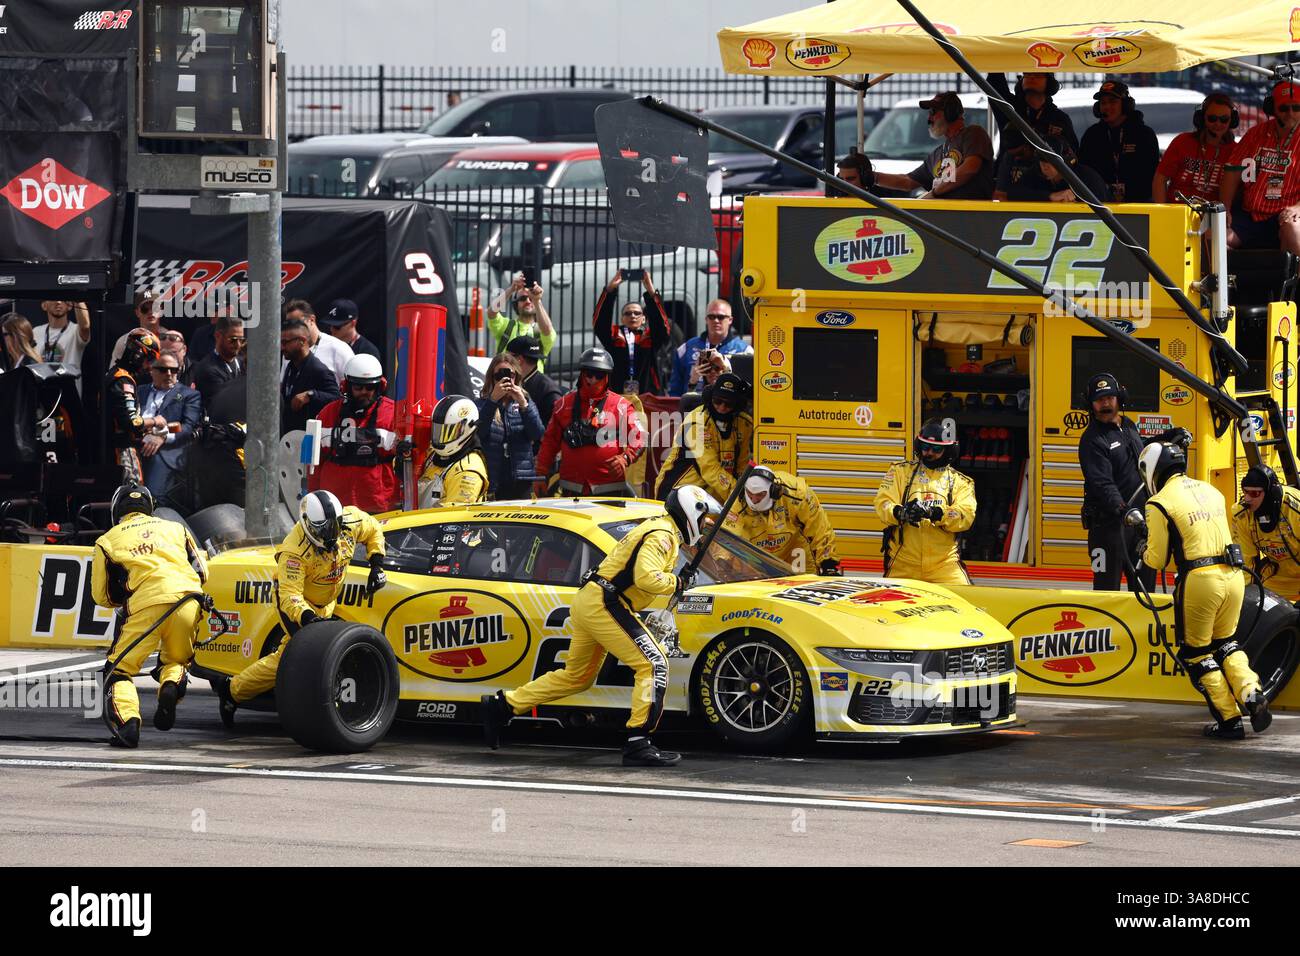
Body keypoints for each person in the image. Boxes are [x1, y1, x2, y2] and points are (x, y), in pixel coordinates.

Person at [480, 485, 722, 766]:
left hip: (592, 600)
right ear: (693, 513)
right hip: (605, 603)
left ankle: (501, 706)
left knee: (576, 677)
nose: (704, 528)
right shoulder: (663, 535)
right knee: (653, 664)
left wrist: (677, 579)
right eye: (704, 521)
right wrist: (676, 582)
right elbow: (646, 578)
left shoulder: (662, 529)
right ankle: (638, 742)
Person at [214, 490, 386, 723]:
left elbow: (374, 528)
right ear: (308, 524)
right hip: (298, 608)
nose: (330, 535)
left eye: (334, 527)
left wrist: (376, 564)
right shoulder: (293, 551)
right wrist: (307, 618)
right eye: (323, 529)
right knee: (292, 657)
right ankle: (233, 691)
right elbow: (289, 595)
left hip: (327, 601)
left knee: (318, 654)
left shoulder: (350, 520)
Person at [1136, 442, 1270, 739]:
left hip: (1199, 579)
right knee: (1227, 645)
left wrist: (1142, 545)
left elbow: (1157, 559)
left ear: (1154, 470)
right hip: (1233, 575)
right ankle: (1252, 693)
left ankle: (1229, 720)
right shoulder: (1212, 490)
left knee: (1197, 654)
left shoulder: (1158, 502)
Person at [92, 485, 208, 748]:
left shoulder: (107, 540)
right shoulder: (176, 528)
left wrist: (125, 594)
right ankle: (170, 685)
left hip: (146, 605)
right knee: (177, 659)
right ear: (150, 507)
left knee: (117, 670)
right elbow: (202, 572)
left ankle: (128, 724)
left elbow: (102, 596)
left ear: (116, 510)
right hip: (188, 599)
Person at [1077, 372, 1158, 591]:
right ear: (1090, 404)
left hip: (1140, 527)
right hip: (1108, 529)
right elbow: (1101, 483)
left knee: (1145, 592)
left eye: (1110, 398)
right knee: (1106, 592)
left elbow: (1141, 457)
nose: (1105, 404)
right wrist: (1124, 510)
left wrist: (1168, 438)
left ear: (1119, 398)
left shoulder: (1129, 426)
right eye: (1099, 400)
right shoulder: (1091, 440)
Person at [534, 347, 645, 497]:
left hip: (610, 490)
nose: (592, 379)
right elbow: (549, 443)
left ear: (606, 377)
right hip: (571, 492)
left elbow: (640, 437)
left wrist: (625, 458)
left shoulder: (621, 405)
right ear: (581, 374)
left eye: (598, 375)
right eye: (589, 373)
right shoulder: (563, 404)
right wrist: (541, 474)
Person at [875, 420, 976, 584]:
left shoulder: (961, 482)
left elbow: (965, 516)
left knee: (966, 602)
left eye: (936, 449)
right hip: (903, 564)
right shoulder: (899, 472)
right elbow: (883, 503)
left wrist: (936, 513)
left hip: (945, 566)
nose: (929, 453)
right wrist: (902, 512)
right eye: (925, 447)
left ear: (948, 450)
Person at [312, 353, 399, 514]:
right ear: (346, 386)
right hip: (336, 506)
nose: (364, 392)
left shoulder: (394, 415)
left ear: (379, 386)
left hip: (379, 506)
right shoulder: (328, 414)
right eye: (358, 387)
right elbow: (314, 463)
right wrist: (314, 498)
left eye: (370, 387)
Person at [1222, 82, 1300, 255]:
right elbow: (1233, 169)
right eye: (1284, 108)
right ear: (1272, 108)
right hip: (1250, 216)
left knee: (1294, 231)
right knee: (1214, 236)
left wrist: (1297, 207)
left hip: (1285, 216)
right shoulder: (1256, 133)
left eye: (1296, 108)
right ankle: (1223, 281)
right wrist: (1225, 208)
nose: (1291, 113)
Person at [872, 92, 995, 200]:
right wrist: (874, 177)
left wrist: (935, 192)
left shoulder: (973, 134)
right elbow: (907, 181)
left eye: (933, 112)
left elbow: (970, 168)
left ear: (950, 113)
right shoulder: (937, 153)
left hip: (973, 216)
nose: (929, 118)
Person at [655, 373, 753, 503]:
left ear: (738, 404)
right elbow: (709, 468)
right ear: (710, 397)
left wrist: (748, 491)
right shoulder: (695, 422)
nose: (722, 407)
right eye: (718, 401)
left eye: (728, 404)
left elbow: (742, 466)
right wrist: (739, 495)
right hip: (680, 493)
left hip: (720, 495)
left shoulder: (745, 423)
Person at [729, 466, 840, 574]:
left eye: (760, 495)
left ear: (773, 491)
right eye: (750, 494)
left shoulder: (797, 492)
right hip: (755, 556)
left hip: (794, 548)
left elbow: (819, 526)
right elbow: (726, 534)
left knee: (804, 585)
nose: (754, 500)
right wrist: (721, 561)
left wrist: (828, 564)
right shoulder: (737, 500)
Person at [137, 353, 202, 512]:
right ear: (152, 370)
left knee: (152, 497)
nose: (169, 374)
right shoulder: (139, 391)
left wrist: (162, 435)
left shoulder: (189, 395)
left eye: (173, 370)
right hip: (134, 446)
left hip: (166, 451)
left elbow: (187, 427)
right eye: (163, 369)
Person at [593, 269, 675, 395]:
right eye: (628, 313)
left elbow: (663, 326)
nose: (633, 316)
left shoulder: (650, 336)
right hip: (618, 395)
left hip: (648, 396)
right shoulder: (614, 335)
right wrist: (609, 291)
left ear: (643, 319)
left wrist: (651, 292)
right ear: (622, 319)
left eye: (637, 313)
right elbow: (599, 324)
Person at [1078, 80, 1159, 204]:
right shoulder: (1092, 135)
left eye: (1113, 102)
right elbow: (1083, 172)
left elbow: (1151, 176)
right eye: (1103, 103)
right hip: (1100, 206)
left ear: (1126, 105)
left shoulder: (1144, 134)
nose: (1107, 107)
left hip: (1138, 206)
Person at [476, 353, 543, 500]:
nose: (505, 379)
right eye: (499, 375)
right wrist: (493, 400)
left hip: (521, 481)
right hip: (493, 481)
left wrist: (524, 404)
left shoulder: (524, 401)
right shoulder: (482, 403)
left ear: (517, 377)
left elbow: (537, 434)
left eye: (510, 375)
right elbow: (479, 434)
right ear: (491, 378)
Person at [1231, 464, 1300, 600]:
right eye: (1245, 491)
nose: (1248, 498)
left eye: (1255, 493)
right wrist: (1245, 599)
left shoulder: (1294, 508)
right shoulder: (1241, 514)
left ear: (1270, 493)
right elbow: (1246, 561)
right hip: (1278, 576)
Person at [1154, 93, 1238, 204]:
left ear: (1232, 121)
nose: (1218, 123)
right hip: (1178, 212)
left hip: (1213, 216)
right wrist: (1162, 212)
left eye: (1224, 119)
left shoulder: (1235, 152)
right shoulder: (1182, 142)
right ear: (1202, 118)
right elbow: (1160, 179)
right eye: (1212, 118)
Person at [106, 329, 165, 484]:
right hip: (121, 451)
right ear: (137, 354)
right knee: (132, 495)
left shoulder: (115, 375)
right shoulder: (122, 379)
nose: (149, 366)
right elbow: (131, 422)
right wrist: (155, 421)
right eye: (149, 358)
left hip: (111, 449)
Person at [986, 72, 1078, 164]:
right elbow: (994, 83)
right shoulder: (1010, 107)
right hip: (1010, 173)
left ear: (1049, 82)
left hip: (1046, 175)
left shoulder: (1060, 118)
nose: (1031, 77)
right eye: (1027, 74)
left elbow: (1072, 155)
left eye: (1038, 74)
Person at [668, 299, 751, 397]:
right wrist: (693, 379)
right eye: (711, 317)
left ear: (730, 320)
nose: (716, 321)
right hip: (693, 407)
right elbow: (674, 392)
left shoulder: (744, 350)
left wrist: (726, 369)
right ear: (706, 319)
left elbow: (750, 391)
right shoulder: (686, 348)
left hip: (725, 407)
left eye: (720, 317)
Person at [417, 394, 489, 507]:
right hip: (417, 520)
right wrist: (403, 457)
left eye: (450, 431)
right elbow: (407, 472)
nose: (441, 437)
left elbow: (453, 519)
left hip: (436, 523)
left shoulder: (467, 471)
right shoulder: (432, 454)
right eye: (438, 431)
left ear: (468, 428)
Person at [995, 134, 1110, 203]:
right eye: (1041, 160)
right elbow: (1013, 193)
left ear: (1065, 161)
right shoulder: (1035, 173)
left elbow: (1104, 206)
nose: (1045, 166)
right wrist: (1050, 196)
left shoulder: (1086, 177)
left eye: (1051, 161)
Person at [280, 318, 341, 435]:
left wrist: (311, 395)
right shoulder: (291, 366)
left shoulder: (318, 369)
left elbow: (336, 398)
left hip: (309, 440)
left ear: (302, 341)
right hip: (289, 439)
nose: (282, 347)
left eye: (285, 342)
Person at [489, 276, 556, 370]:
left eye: (530, 298)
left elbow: (547, 331)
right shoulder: (506, 325)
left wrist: (537, 300)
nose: (528, 301)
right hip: (507, 380)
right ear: (516, 304)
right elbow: (491, 312)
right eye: (523, 298)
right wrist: (511, 289)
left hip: (532, 383)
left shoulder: (540, 329)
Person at [283, 298, 354, 383]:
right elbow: (282, 384)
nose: (293, 329)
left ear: (311, 320)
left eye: (297, 323)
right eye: (289, 324)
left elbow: (352, 388)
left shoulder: (338, 348)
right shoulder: (290, 349)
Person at [32, 300, 91, 393]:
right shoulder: (35, 332)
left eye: (63, 299)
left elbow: (85, 327)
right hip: (41, 395)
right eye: (53, 298)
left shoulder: (75, 330)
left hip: (68, 396)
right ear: (44, 305)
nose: (59, 302)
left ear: (70, 305)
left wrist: (77, 296)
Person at [505, 335, 563, 428]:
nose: (505, 362)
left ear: (519, 360)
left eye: (507, 358)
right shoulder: (517, 382)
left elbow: (554, 430)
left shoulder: (548, 392)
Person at [189, 315, 245, 407]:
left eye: (241, 340)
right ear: (218, 336)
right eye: (233, 340)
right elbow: (225, 401)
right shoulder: (207, 368)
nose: (238, 345)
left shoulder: (244, 363)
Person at [111, 291, 167, 365]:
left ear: (160, 311)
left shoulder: (169, 339)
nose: (150, 312)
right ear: (137, 312)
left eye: (154, 308)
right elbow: (114, 373)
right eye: (145, 309)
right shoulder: (124, 341)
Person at [320, 298, 381, 362]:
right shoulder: (325, 346)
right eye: (329, 325)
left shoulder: (368, 351)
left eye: (337, 326)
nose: (331, 329)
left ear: (353, 323)